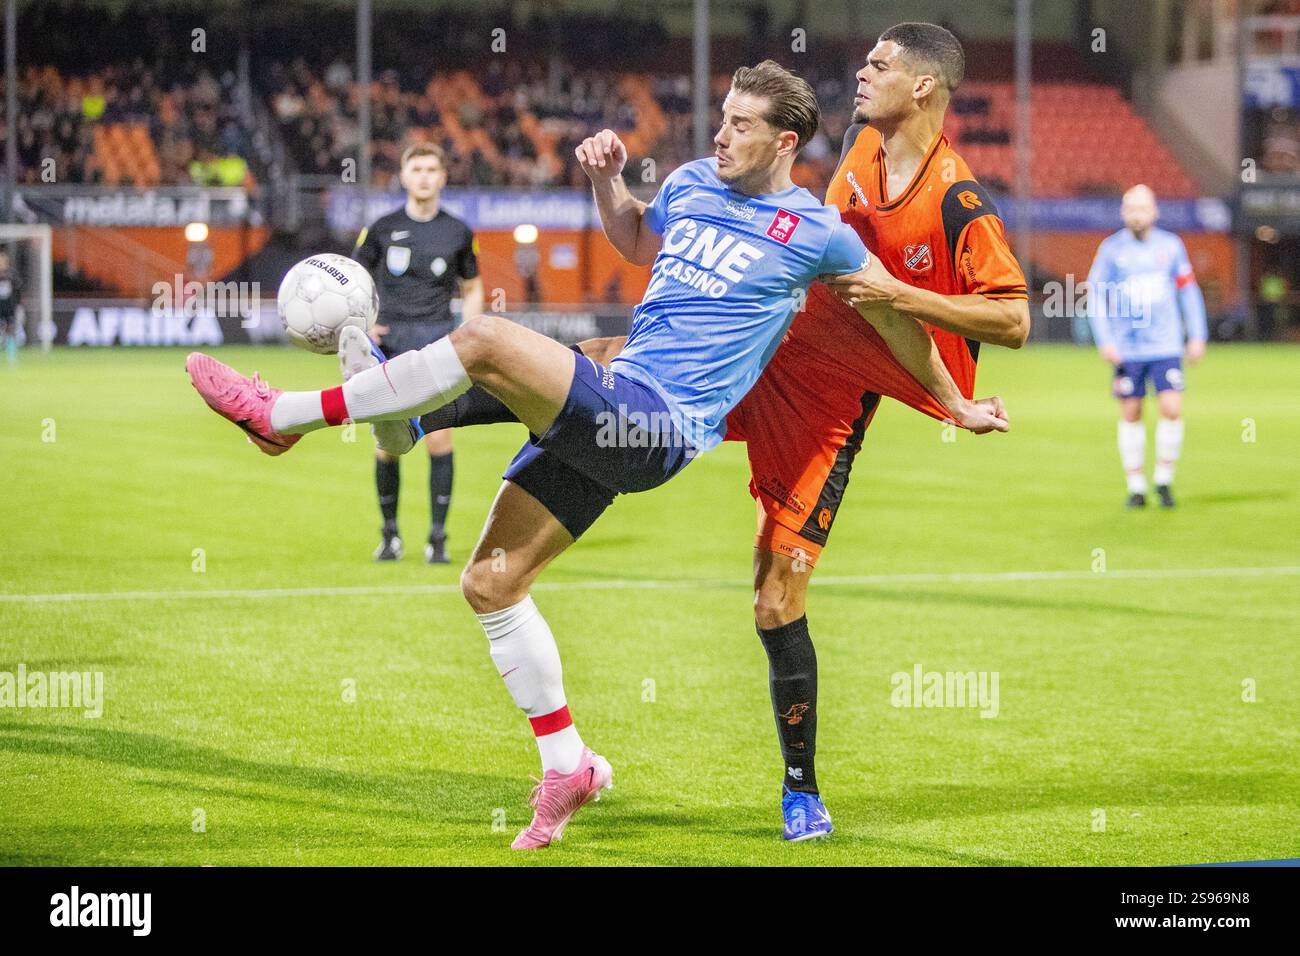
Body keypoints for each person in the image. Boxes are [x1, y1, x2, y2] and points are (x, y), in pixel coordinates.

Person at [187, 60, 1004, 850]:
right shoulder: (691, 182)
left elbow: (897, 324)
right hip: (619, 405)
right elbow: (636, 240)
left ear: (785, 142)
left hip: (660, 425)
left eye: (741, 125)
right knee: (491, 583)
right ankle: (567, 765)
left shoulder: (818, 233)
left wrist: (957, 404)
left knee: (484, 339)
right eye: (722, 118)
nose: (721, 136)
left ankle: (284, 417)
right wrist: (606, 182)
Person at [404, 23, 1029, 842]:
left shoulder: (957, 199)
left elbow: (1013, 320)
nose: (862, 71)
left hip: (824, 411)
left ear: (923, 87)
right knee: (608, 366)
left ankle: (801, 789)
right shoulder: (858, 152)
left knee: (775, 600)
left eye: (880, 64)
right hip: (760, 358)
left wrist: (913, 322)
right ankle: (413, 415)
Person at [352, 143, 485, 562]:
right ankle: (390, 536)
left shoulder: (458, 232)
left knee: (439, 438)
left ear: (443, 176)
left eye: (431, 169)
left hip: (436, 344)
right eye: (417, 168)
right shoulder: (381, 228)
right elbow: (353, 279)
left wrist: (468, 332)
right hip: (389, 343)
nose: (424, 176)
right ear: (404, 175)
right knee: (387, 443)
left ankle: (437, 538)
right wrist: (363, 324)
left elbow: (473, 287)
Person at [1087, 184, 1207, 509]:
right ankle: (1136, 486)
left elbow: (1188, 291)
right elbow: (1096, 295)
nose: (1136, 214)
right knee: (1131, 411)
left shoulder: (1171, 246)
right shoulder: (1111, 249)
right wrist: (1105, 340)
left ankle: (1164, 480)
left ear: (1154, 211)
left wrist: (1197, 334)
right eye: (1131, 208)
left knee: (1172, 408)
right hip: (1128, 348)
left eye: (1142, 208)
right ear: (1123, 213)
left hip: (1166, 344)